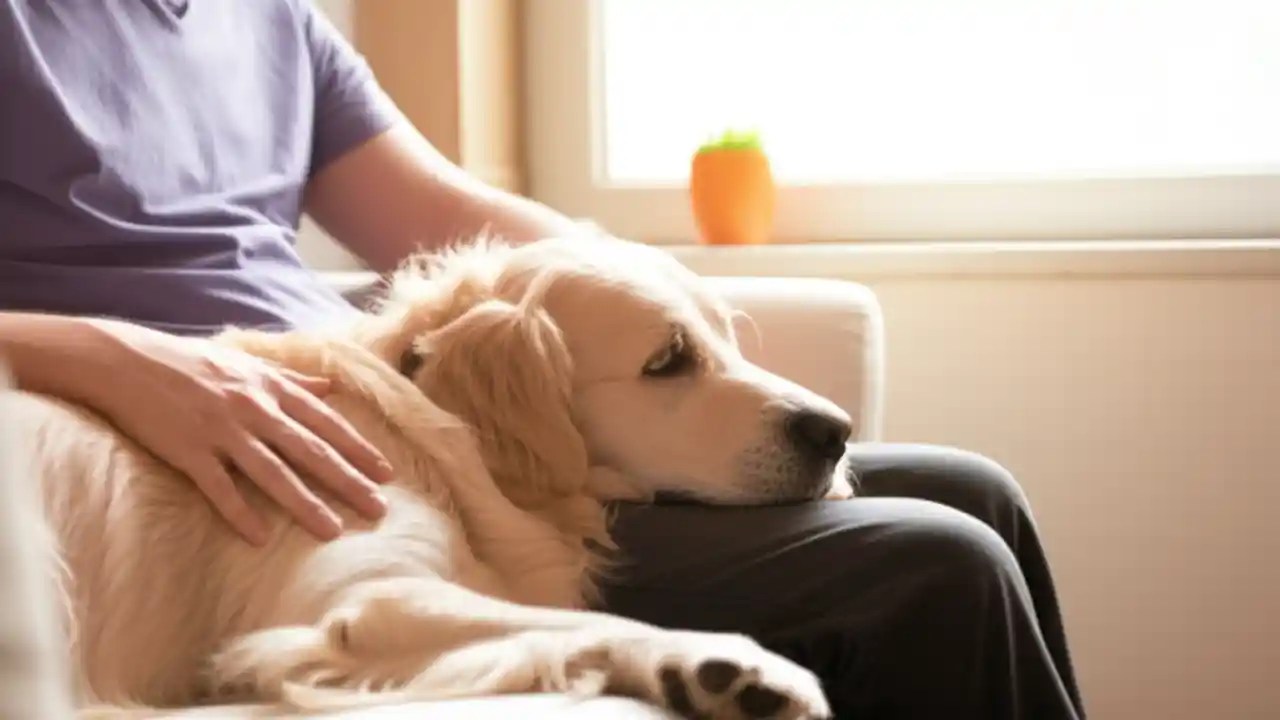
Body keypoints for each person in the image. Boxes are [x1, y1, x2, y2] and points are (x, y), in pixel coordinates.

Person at [0, 2, 1085, 718]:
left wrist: (661, 306)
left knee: (972, 490)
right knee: (935, 564)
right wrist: (111, 356)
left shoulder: (266, 21)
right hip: (208, 465)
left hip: (387, 409)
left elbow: (445, 215)